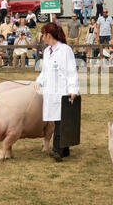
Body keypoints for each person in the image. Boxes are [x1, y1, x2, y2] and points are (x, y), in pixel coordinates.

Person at [34, 23, 79, 162]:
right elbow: (45, 71)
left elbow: (72, 71)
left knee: (60, 120)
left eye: (43, 34)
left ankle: (57, 150)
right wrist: (39, 81)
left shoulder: (65, 50)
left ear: (49, 35)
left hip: (62, 89)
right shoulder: (47, 51)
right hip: (50, 90)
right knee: (57, 119)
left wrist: (73, 89)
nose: (42, 38)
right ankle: (65, 149)